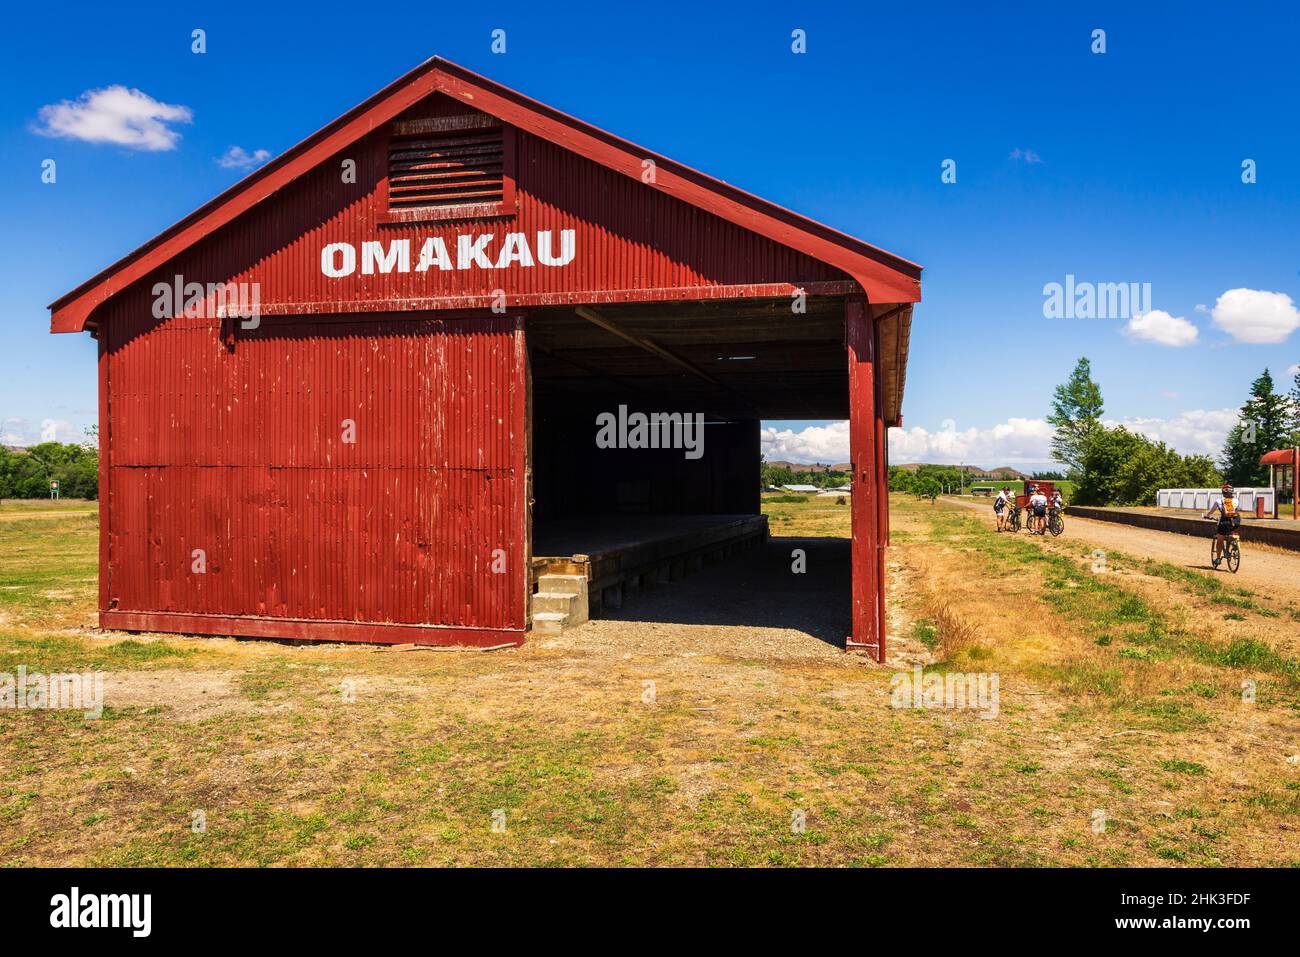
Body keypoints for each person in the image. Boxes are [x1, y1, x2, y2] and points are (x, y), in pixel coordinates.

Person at [1202, 484, 1240, 568]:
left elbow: (1211, 511)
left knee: (1220, 540)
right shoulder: (1236, 500)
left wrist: (1207, 515)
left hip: (1224, 522)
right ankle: (1232, 545)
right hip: (1236, 521)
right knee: (1231, 531)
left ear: (1223, 491)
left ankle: (1218, 558)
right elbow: (1236, 511)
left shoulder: (1219, 501)